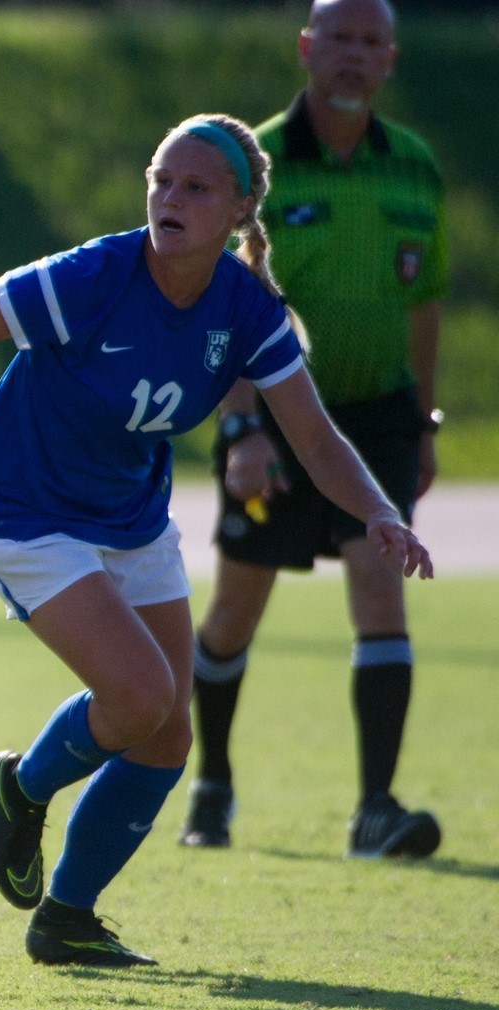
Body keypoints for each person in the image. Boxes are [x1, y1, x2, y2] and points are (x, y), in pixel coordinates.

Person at [0, 114, 431, 966]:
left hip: (128, 515)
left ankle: (67, 918)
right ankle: (21, 788)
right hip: (20, 505)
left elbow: (314, 442)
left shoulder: (248, 309)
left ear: (241, 210)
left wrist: (381, 512)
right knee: (139, 696)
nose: (171, 198)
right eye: (162, 179)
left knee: (168, 734)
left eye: (196, 188)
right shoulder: (94, 275)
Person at [183, 0, 448, 859]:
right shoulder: (253, 165)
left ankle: (375, 809)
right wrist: (240, 433)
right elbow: (220, 307)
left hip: (378, 423)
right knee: (235, 610)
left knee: (379, 584)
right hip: (276, 417)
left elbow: (425, 303)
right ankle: (211, 782)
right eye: (338, 38)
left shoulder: (415, 166)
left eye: (372, 43)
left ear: (391, 60)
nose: (354, 56)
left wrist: (426, 423)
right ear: (306, 48)